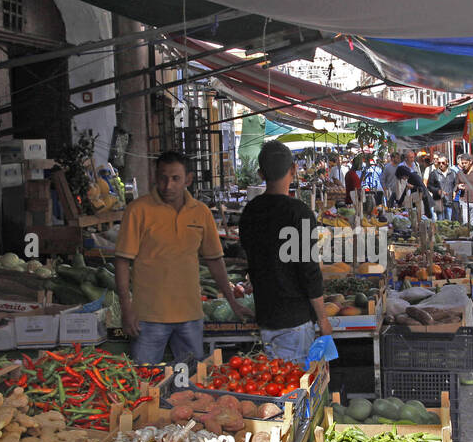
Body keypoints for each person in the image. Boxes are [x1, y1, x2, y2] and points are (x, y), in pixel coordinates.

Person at [115, 150, 251, 363]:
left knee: (190, 382)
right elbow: (122, 261)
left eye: (175, 178)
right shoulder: (137, 210)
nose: (168, 185)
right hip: (148, 317)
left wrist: (233, 302)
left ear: (188, 179)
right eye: (162, 178)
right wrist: (126, 307)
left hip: (190, 316)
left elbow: (214, 260)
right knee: (144, 380)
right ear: (155, 177)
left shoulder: (201, 213)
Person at [239, 141, 335, 362]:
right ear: (293, 169)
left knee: (276, 382)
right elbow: (308, 270)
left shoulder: (250, 212)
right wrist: (323, 319)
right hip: (295, 320)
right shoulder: (298, 212)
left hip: (265, 315)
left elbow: (251, 259)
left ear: (261, 174)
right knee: (297, 389)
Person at [396, 152, 430, 218]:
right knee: (409, 214)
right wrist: (399, 200)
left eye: (413, 157)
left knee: (418, 215)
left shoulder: (416, 166)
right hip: (408, 197)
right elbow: (400, 186)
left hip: (417, 197)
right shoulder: (401, 167)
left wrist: (414, 187)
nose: (412, 159)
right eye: (411, 157)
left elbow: (421, 183)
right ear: (406, 158)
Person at [456, 152, 473, 227]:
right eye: (462, 163)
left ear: (470, 162)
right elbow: (455, 185)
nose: (463, 165)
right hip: (463, 201)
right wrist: (458, 186)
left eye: (465, 163)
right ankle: (466, 238)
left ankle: (472, 237)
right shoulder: (459, 173)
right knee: (465, 223)